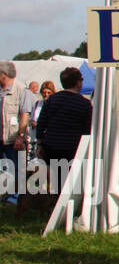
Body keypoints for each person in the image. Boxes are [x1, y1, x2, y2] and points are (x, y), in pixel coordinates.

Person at [31, 69, 92, 195]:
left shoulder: (52, 100)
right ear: (78, 83)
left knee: (57, 181)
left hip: (52, 146)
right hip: (73, 148)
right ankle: (67, 207)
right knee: (72, 183)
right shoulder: (84, 104)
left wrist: (40, 143)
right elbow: (87, 130)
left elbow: (41, 123)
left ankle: (55, 203)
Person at [0, 61, 38, 205]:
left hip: (13, 139)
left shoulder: (22, 90)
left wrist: (20, 137)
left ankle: (15, 198)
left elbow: (24, 116)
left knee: (17, 169)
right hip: (0, 138)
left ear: (3, 75)